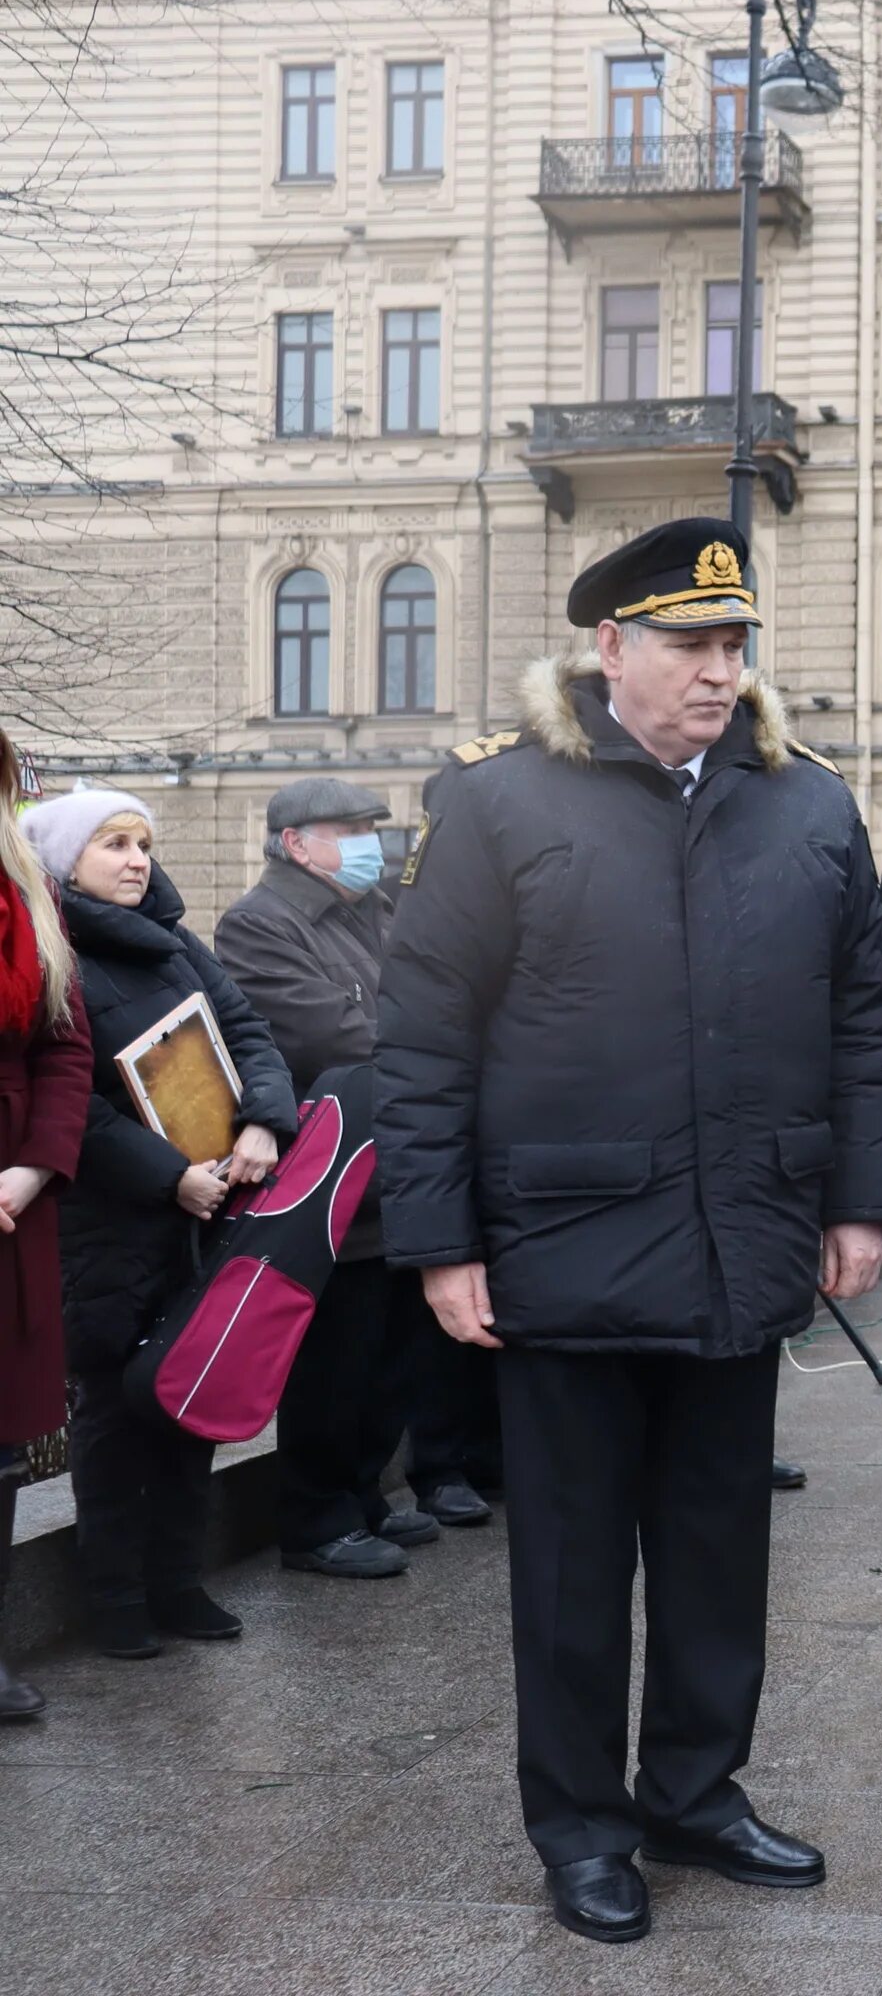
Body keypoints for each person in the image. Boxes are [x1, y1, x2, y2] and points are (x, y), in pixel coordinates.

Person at [375, 518, 882, 1945]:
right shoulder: (501, 805)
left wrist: (860, 1199)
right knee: (570, 1565)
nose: (721, 674)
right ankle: (582, 1826)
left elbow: (866, 1022)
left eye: (736, 646)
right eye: (691, 646)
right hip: (562, 1243)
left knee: (721, 1549)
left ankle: (694, 1793)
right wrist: (437, 1239)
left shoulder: (808, 806)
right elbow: (421, 1036)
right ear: (611, 651)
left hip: (744, 1241)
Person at [27, 790, 299, 1662]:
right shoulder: (48, 956)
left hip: (208, 1215)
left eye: (144, 843)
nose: (137, 859)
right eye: (114, 844)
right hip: (108, 1228)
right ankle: (113, 1600)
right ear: (67, 863)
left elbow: (252, 1034)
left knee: (191, 1402)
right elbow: (70, 1106)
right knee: (111, 1420)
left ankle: (180, 1585)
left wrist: (265, 1121)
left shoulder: (179, 944)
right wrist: (167, 1178)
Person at [215, 775, 443, 1578]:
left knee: (390, 1359)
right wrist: (426, 1039)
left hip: (398, 1165)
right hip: (335, 1175)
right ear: (295, 843)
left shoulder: (372, 909)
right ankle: (315, 1520)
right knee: (334, 1364)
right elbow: (336, 1033)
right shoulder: (258, 923)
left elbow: (427, 1001)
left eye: (370, 827)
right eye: (346, 828)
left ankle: (362, 1497)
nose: (366, 842)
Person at [0, 729, 90, 1721]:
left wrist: (32, 1167)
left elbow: (67, 1043)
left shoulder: (29, 891)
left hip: (12, 1192)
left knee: (1, 1442)